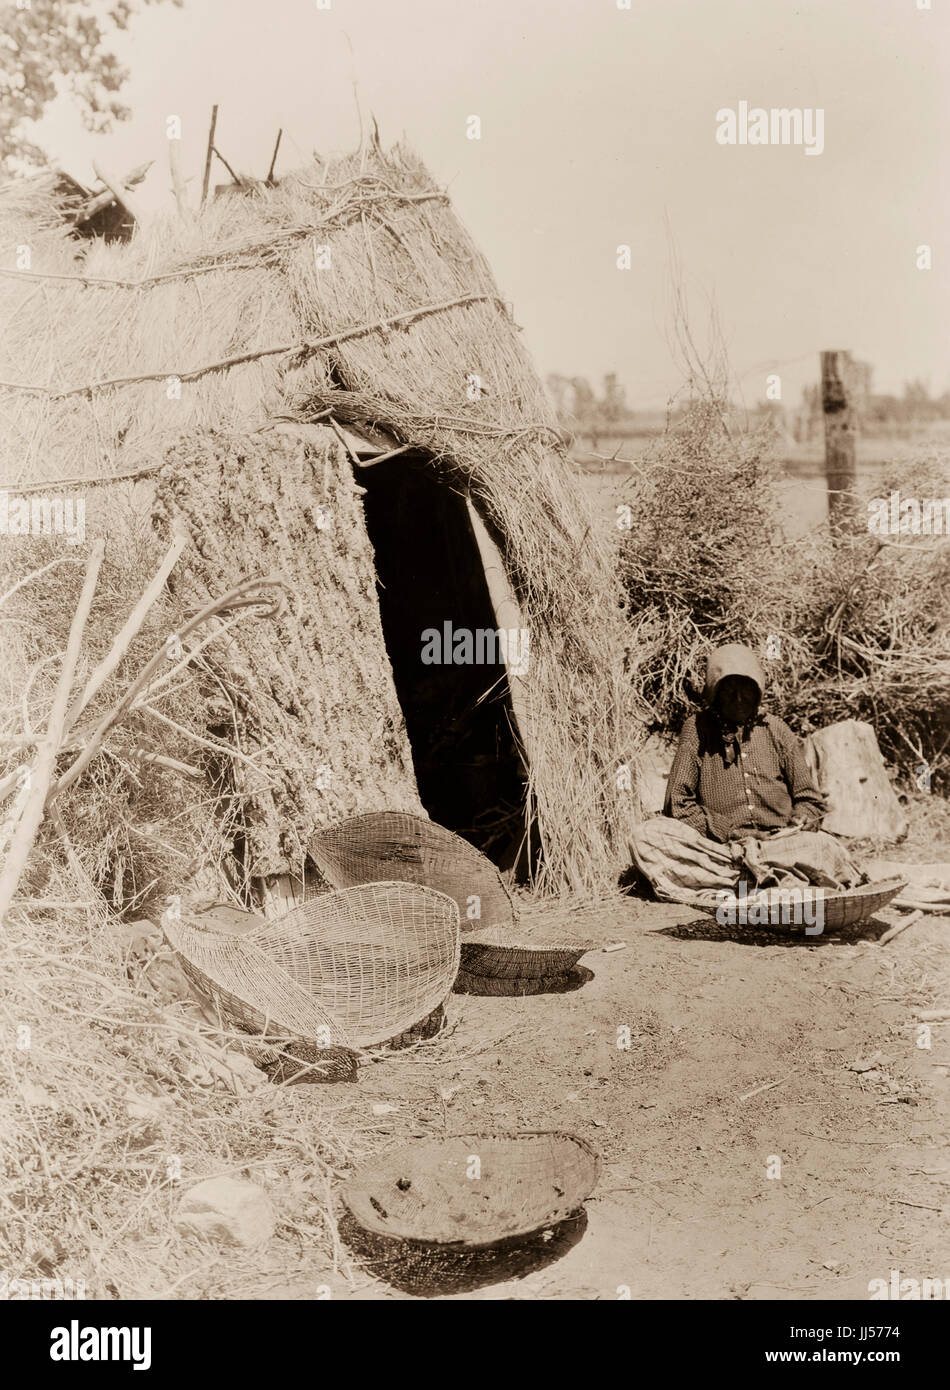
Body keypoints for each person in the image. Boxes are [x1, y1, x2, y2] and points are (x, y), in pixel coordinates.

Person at [630, 643, 863, 904]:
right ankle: (770, 881)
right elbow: (677, 803)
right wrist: (732, 833)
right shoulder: (697, 729)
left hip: (779, 846)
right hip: (723, 851)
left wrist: (800, 821)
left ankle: (748, 881)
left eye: (746, 691)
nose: (739, 700)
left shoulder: (776, 730)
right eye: (729, 692)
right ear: (714, 694)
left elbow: (809, 799)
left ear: (758, 692)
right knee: (647, 837)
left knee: (824, 848)